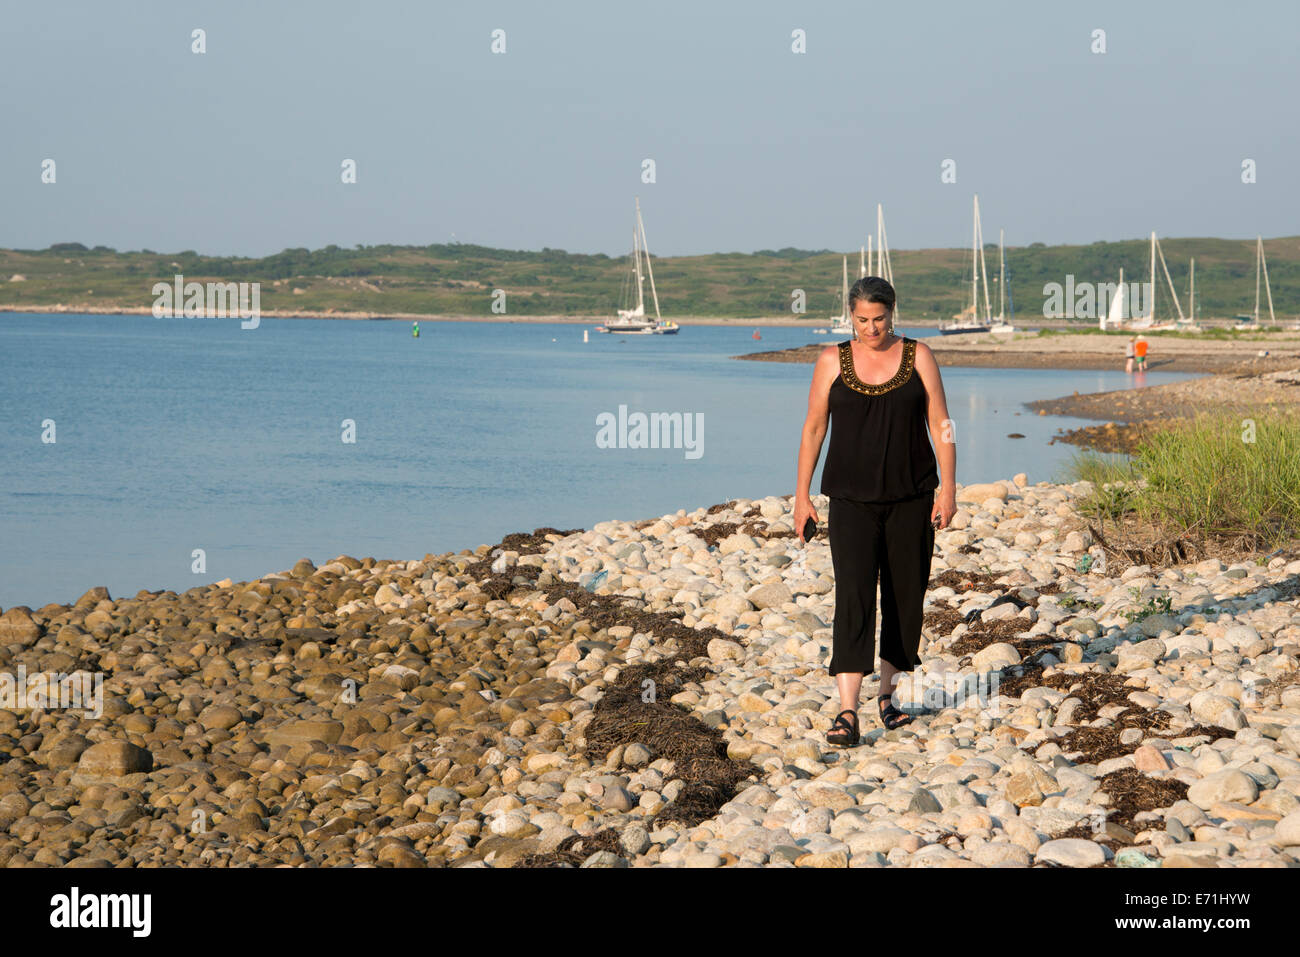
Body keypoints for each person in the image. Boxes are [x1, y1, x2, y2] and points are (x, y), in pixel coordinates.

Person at [793, 277, 957, 747]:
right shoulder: (831, 360)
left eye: (879, 319)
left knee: (906, 597)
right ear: (851, 316)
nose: (871, 328)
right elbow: (813, 428)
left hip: (912, 496)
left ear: (892, 313)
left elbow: (940, 422)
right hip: (849, 501)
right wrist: (801, 496)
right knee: (855, 597)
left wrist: (949, 490)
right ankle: (847, 710)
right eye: (862, 320)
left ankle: (886, 696)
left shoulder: (918, 355)